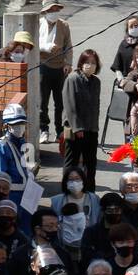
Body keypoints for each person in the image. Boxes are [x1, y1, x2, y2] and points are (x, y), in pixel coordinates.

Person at [0, 104, 33, 232]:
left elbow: (28, 169)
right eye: (15, 125)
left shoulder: (24, 144)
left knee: (27, 230)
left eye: (22, 124)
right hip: (11, 196)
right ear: (6, 126)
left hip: (29, 194)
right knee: (14, 229)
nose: (20, 127)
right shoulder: (1, 147)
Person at [62, 51, 102, 190]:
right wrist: (77, 128)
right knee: (72, 163)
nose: (90, 66)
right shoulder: (72, 79)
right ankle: (66, 191)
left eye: (93, 63)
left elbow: (96, 106)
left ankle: (89, 193)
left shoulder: (96, 81)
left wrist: (95, 128)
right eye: (87, 62)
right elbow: (69, 105)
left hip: (91, 129)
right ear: (81, 63)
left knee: (91, 164)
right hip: (75, 129)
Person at [37, 0, 73, 144]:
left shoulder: (64, 25)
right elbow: (33, 43)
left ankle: (59, 132)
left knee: (60, 102)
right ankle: (43, 129)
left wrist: (68, 63)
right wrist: (45, 47)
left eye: (56, 9)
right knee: (42, 101)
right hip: (42, 66)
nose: (54, 12)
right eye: (51, 10)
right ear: (45, 11)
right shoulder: (38, 24)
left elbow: (68, 46)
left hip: (59, 68)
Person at [79, 193, 125, 269]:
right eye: (110, 210)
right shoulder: (91, 232)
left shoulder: (128, 230)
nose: (114, 213)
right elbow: (86, 256)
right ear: (103, 211)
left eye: (117, 210)